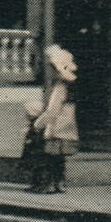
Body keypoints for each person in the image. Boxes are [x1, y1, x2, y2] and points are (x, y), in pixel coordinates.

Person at [33, 44, 79, 194]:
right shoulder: (70, 87)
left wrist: (38, 124)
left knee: (51, 158)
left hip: (56, 128)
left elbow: (52, 111)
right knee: (60, 160)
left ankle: (50, 184)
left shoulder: (59, 88)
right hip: (67, 128)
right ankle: (60, 183)